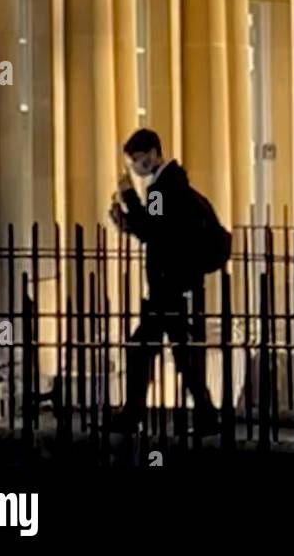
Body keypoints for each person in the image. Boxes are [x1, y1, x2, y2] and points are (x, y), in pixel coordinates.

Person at [110, 128, 220, 434]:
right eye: (133, 160)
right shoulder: (172, 186)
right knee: (177, 352)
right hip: (173, 285)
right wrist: (129, 221)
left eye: (138, 158)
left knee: (146, 348)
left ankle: (134, 415)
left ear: (154, 153)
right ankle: (205, 414)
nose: (136, 164)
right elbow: (158, 229)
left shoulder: (161, 188)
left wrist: (128, 195)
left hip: (167, 287)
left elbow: (153, 230)